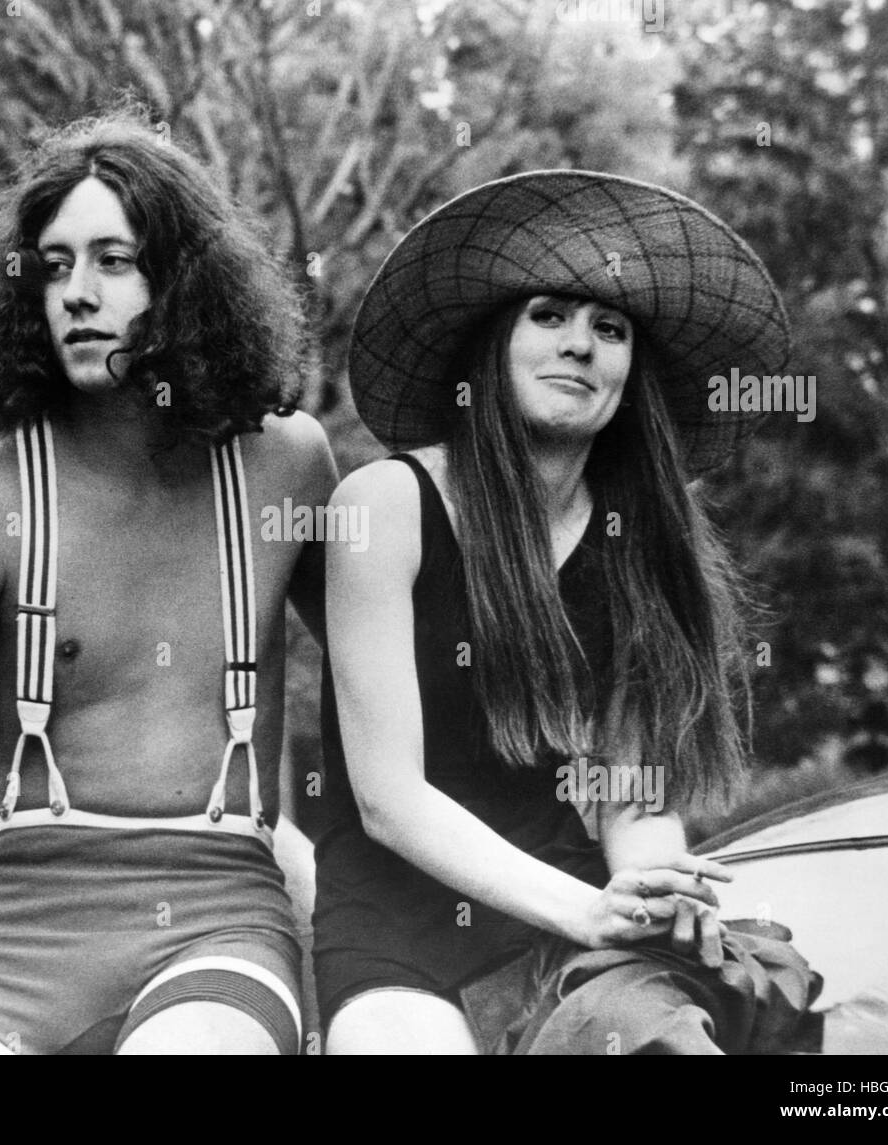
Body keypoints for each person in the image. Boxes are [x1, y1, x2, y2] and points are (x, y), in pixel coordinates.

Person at [0, 109, 337, 1055]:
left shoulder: (288, 469)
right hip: (4, 945)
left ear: (184, 281)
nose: (77, 292)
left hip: (214, 922)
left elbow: (384, 685)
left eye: (114, 260)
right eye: (56, 265)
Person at [313, 170, 823, 1054]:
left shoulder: (638, 540)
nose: (580, 345)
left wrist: (658, 894)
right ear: (493, 347)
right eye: (549, 315)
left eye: (610, 328)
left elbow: (630, 794)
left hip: (578, 917)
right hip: (397, 926)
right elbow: (388, 800)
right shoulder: (382, 505)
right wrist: (589, 909)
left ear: (632, 373)